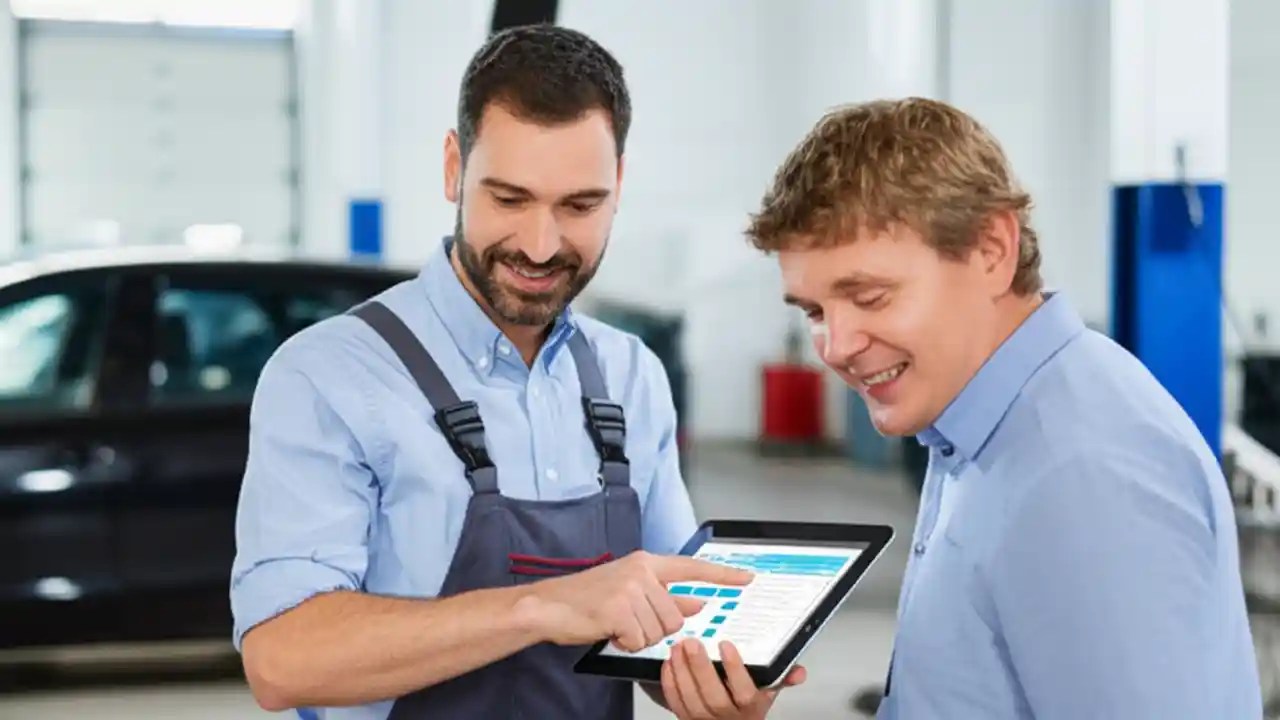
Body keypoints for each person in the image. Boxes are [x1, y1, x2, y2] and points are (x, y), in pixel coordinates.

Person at [229, 24, 801, 720]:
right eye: (509, 199)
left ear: (619, 182)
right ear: (452, 168)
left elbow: (669, 633)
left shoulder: (629, 376)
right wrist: (542, 607)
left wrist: (718, 684)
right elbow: (283, 660)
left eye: (579, 206)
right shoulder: (328, 376)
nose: (540, 244)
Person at [744, 97, 1263, 719]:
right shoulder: (978, 422)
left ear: (992, 250)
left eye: (870, 297)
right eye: (814, 312)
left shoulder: (1085, 474)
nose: (836, 345)